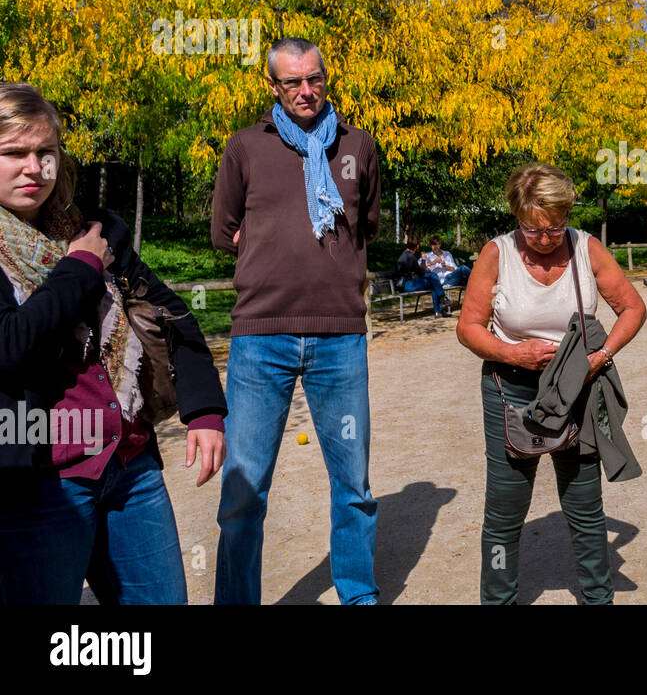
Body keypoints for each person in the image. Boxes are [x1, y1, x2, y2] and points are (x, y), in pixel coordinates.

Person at [0, 83, 226, 604]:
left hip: (129, 466)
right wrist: (80, 268)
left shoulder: (98, 231)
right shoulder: (87, 253)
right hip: (39, 483)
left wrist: (206, 411)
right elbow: (10, 348)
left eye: (45, 153)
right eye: (14, 153)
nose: (34, 168)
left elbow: (172, 315)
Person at [211, 37, 383, 605]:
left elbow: (366, 225)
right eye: (293, 82)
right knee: (243, 488)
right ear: (273, 87)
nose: (306, 91)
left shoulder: (359, 145)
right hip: (261, 337)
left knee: (353, 485)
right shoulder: (244, 148)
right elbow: (223, 231)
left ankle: (357, 594)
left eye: (315, 79)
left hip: (341, 336)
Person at [456, 163, 647, 604]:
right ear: (517, 215)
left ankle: (599, 599)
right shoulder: (496, 253)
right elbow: (468, 327)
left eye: (555, 228)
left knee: (585, 509)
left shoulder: (587, 248)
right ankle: (498, 600)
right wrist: (512, 352)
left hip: (575, 392)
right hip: (511, 391)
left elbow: (632, 308)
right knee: (504, 514)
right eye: (533, 229)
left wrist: (601, 357)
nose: (544, 239)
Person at [397, 238, 448, 316]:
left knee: (433, 283)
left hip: (406, 284)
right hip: (406, 286)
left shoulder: (404, 254)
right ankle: (442, 299)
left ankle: (439, 310)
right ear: (417, 246)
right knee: (433, 276)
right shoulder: (410, 257)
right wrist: (424, 260)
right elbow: (421, 272)